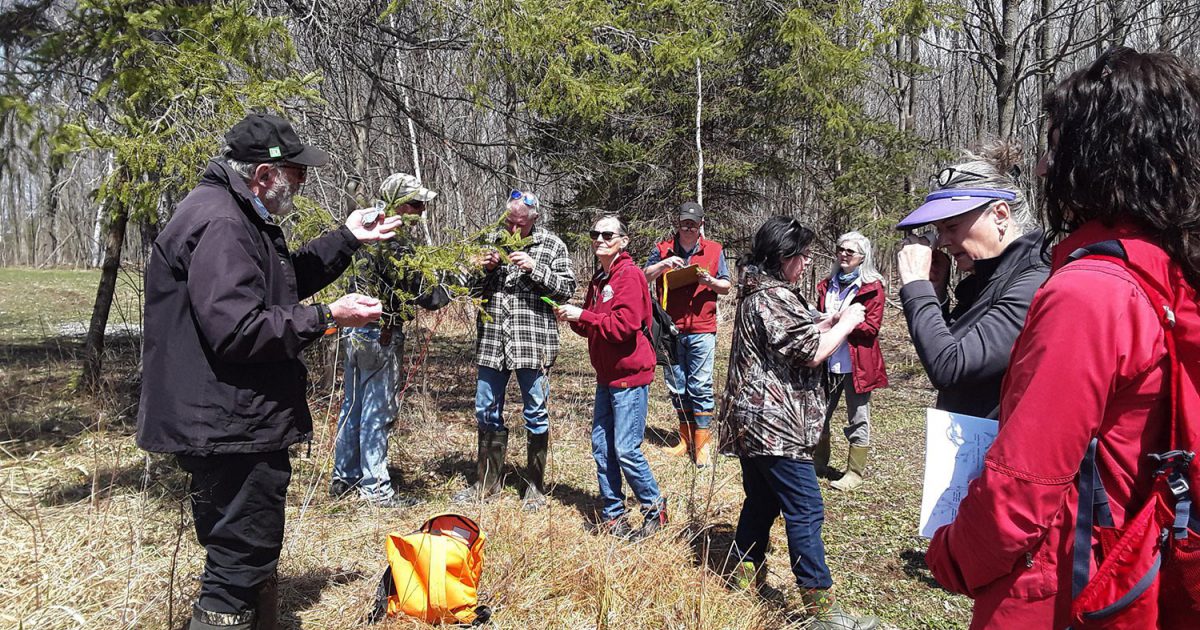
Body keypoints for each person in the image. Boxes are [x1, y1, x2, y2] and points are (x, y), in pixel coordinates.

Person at [926, 46, 1200, 629]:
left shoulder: (1089, 293)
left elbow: (1023, 485)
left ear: (1098, 156)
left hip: (1064, 588)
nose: (1046, 168)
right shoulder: (1172, 269)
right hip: (1140, 567)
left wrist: (951, 554)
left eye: (1057, 147)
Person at [136, 113, 406, 630]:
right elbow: (238, 329)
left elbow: (275, 288)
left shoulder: (231, 214)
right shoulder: (222, 223)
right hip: (228, 423)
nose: (299, 189)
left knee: (243, 550)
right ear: (263, 176)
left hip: (229, 418)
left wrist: (346, 239)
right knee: (237, 561)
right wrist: (329, 318)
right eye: (296, 179)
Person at [717, 217, 878, 630]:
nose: (808, 262)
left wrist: (827, 321)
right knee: (805, 508)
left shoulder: (765, 292)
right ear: (782, 256)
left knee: (762, 501)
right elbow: (810, 352)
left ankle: (740, 576)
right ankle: (821, 612)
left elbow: (793, 335)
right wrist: (846, 323)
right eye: (802, 255)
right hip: (774, 423)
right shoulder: (772, 296)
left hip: (755, 420)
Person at [895, 144, 1049, 419]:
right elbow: (951, 348)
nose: (942, 241)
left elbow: (950, 368)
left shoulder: (1033, 282)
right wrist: (936, 295)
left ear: (1001, 215)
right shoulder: (984, 281)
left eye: (952, 226)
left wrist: (917, 287)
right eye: (939, 231)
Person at [330, 173, 448, 508]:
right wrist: (455, 282)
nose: (421, 211)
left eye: (422, 204)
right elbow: (427, 295)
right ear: (398, 203)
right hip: (379, 333)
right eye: (415, 203)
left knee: (352, 407)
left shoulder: (365, 226)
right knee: (376, 412)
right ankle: (376, 490)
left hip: (353, 331)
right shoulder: (393, 240)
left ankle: (345, 477)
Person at [454, 190, 576, 509]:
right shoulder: (490, 241)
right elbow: (466, 288)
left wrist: (535, 268)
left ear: (534, 220)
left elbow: (567, 290)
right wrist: (485, 268)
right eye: (509, 222)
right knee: (485, 409)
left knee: (535, 412)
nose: (514, 229)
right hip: (493, 341)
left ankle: (535, 487)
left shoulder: (552, 245)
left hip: (533, 344)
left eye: (520, 223)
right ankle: (487, 483)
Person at [557, 215, 668, 541]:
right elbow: (594, 324)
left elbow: (624, 327)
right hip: (606, 375)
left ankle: (654, 508)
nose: (600, 239)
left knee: (626, 449)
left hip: (631, 375)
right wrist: (571, 315)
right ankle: (613, 514)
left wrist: (585, 315)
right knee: (602, 447)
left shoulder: (629, 276)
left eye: (608, 234)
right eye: (595, 234)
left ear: (623, 240)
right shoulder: (601, 278)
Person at [643, 201, 732, 465]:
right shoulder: (662, 249)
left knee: (700, 385)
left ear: (701, 224)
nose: (689, 227)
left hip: (702, 328)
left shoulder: (714, 250)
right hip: (670, 329)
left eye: (693, 223)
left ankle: (702, 444)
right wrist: (664, 264)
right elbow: (644, 276)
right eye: (684, 223)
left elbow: (726, 286)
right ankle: (685, 439)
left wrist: (711, 282)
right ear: (677, 223)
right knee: (676, 385)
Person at [814, 231, 888, 491]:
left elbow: (871, 327)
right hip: (828, 359)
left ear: (862, 257)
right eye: (840, 249)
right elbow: (820, 318)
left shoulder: (872, 287)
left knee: (858, 416)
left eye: (850, 251)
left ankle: (854, 472)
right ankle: (818, 462)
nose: (843, 255)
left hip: (857, 363)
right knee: (820, 412)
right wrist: (828, 320)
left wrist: (843, 322)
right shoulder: (827, 284)